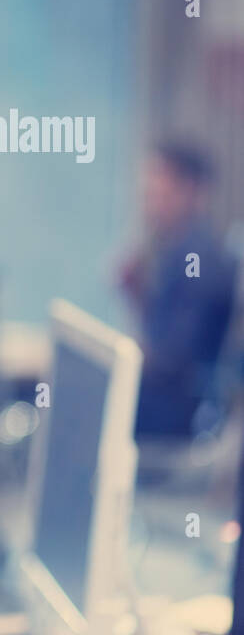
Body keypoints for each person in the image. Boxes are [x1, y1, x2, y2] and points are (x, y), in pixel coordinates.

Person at [118, 141, 238, 438]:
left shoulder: (200, 259)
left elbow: (174, 362)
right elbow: (162, 338)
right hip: (167, 404)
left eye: (160, 195)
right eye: (148, 195)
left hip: (176, 417)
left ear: (191, 192)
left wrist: (120, 354)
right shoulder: (177, 253)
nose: (150, 206)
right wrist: (136, 294)